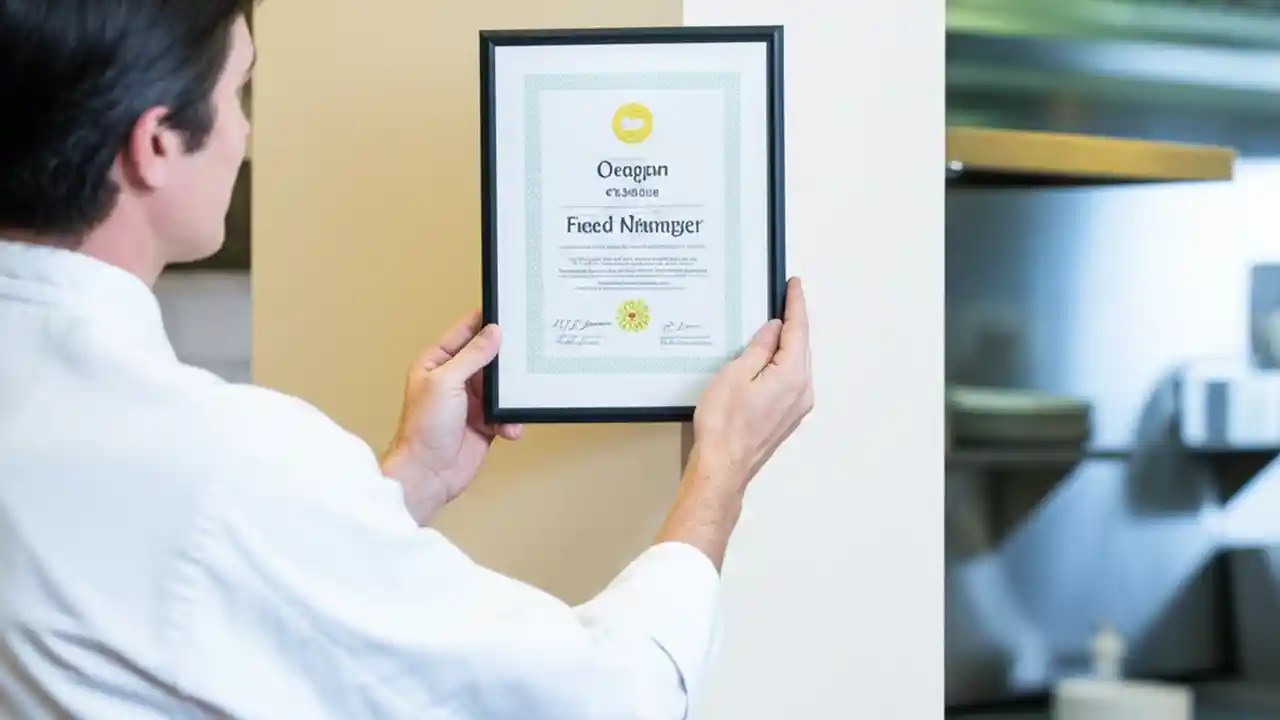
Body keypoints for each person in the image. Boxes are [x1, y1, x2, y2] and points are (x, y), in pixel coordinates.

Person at [0, 2, 814, 718]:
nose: (247, 133)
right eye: (238, 92)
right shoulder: (225, 464)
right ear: (154, 143)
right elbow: (610, 699)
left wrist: (409, 483)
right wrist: (722, 471)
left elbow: (186, 593)